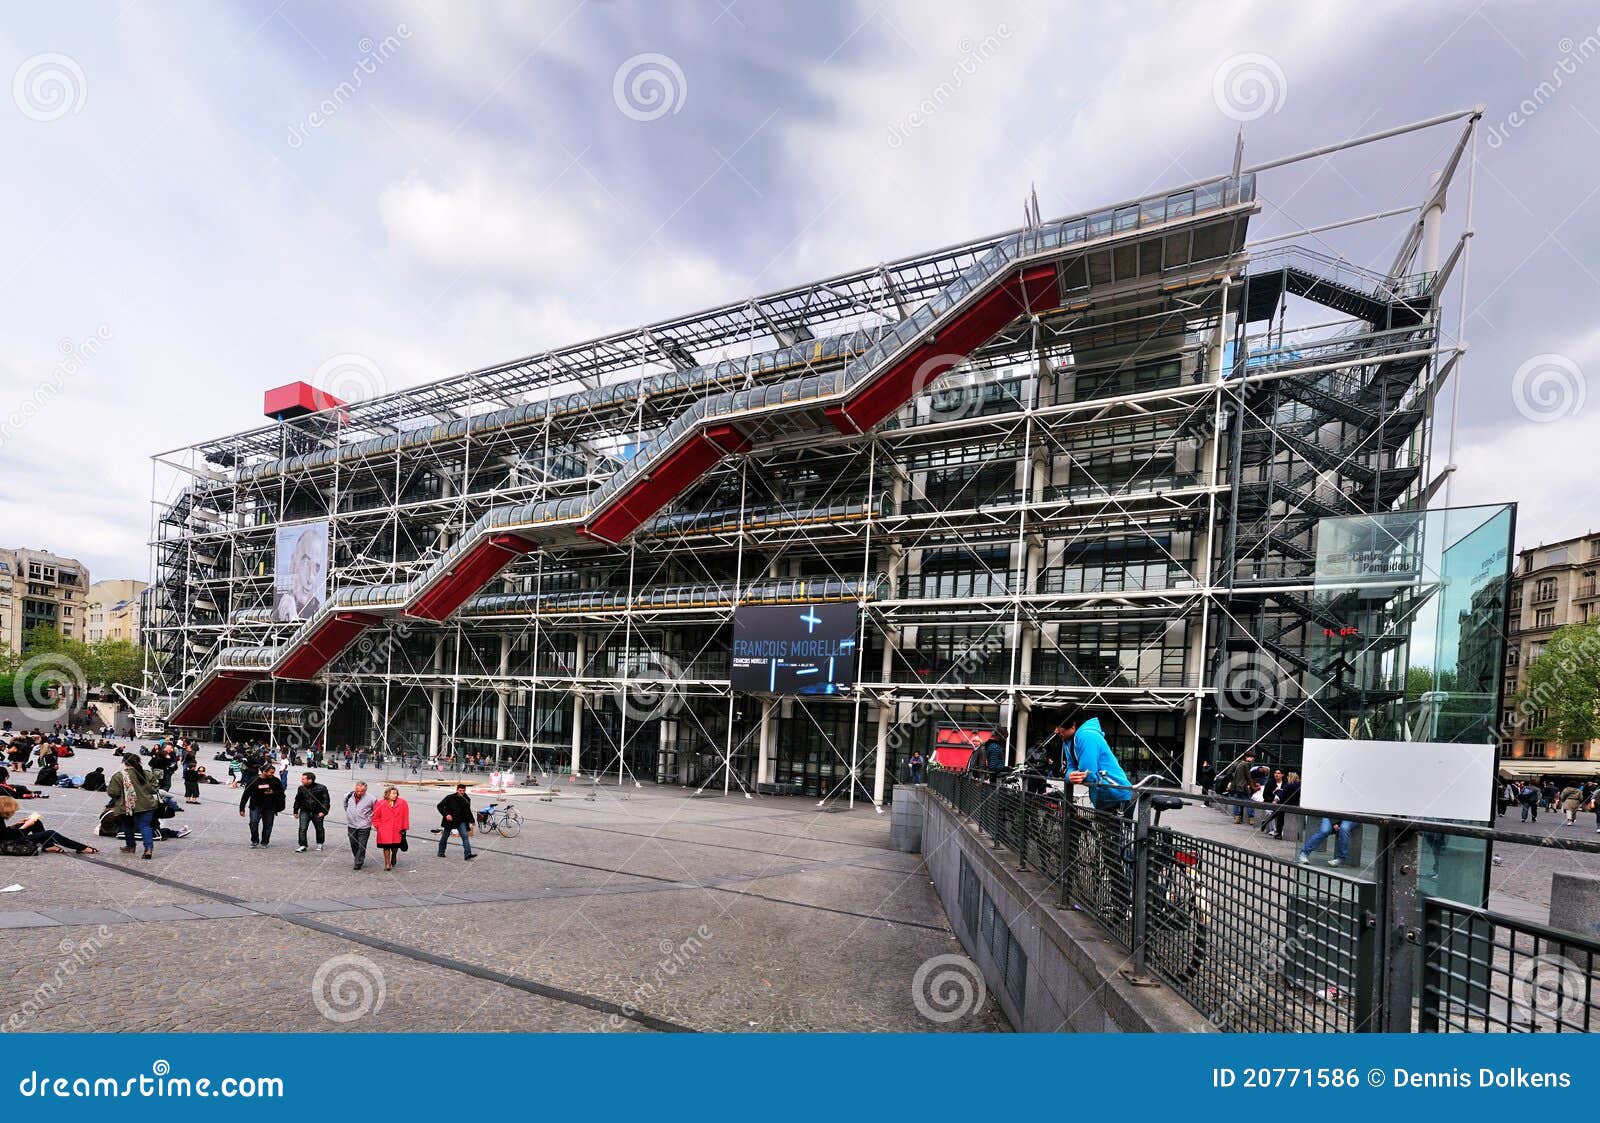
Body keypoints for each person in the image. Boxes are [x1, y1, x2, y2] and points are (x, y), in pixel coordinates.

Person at [1057, 711, 1132, 816]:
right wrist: (1070, 776)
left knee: (1112, 826)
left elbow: (1088, 774)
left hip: (1116, 795)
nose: (1056, 730)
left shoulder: (1086, 735)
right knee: (1103, 825)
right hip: (1105, 795)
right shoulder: (1068, 740)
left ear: (1073, 726)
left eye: (1059, 726)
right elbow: (1071, 768)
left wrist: (1073, 775)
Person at [0, 796, 99, 854]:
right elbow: (7, 837)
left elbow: (4, 832)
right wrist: (24, 826)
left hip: (5, 838)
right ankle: (81, 848)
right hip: (4, 844)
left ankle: (48, 846)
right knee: (50, 833)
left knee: (36, 822)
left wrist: (15, 825)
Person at [107, 753, 160, 859]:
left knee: (127, 826)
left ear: (124, 762)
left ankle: (130, 846)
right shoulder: (147, 774)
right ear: (139, 762)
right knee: (145, 826)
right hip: (147, 805)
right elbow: (155, 789)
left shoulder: (119, 776)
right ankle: (148, 849)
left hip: (126, 806)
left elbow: (113, 792)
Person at [238, 764, 286, 848]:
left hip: (270, 807)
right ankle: (254, 840)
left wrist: (273, 792)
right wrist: (242, 808)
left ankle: (265, 842)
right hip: (255, 805)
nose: (272, 774)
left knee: (268, 825)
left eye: (273, 772)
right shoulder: (253, 780)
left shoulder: (275, 780)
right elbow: (246, 794)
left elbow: (282, 793)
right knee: (253, 823)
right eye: (271, 772)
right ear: (264, 771)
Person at [435, 783, 476, 861]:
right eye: (460, 790)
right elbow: (439, 806)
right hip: (450, 821)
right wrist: (446, 815)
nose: (462, 792)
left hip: (461, 821)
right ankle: (441, 852)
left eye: (463, 791)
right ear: (457, 790)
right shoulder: (450, 797)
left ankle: (468, 854)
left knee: (465, 836)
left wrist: (472, 820)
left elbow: (468, 811)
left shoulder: (467, 799)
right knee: (445, 836)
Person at [372, 786, 410, 871]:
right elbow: (375, 817)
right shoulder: (380, 803)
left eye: (396, 793)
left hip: (398, 829)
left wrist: (404, 828)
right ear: (387, 794)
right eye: (393, 793)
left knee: (395, 846)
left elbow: (406, 816)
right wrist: (379, 827)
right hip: (384, 829)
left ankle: (394, 855)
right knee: (386, 846)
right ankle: (387, 863)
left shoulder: (403, 803)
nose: (395, 795)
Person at [293, 771, 331, 852]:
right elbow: (297, 800)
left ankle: (320, 843)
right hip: (304, 811)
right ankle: (303, 845)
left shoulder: (322, 788)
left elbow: (326, 801)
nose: (301, 780)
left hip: (317, 812)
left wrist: (324, 812)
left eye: (303, 779)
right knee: (302, 828)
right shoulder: (301, 788)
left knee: (319, 828)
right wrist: (295, 811)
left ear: (310, 780)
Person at [344, 781, 378, 870]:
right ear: (355, 788)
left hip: (364, 826)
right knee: (353, 843)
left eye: (362, 791)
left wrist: (369, 819)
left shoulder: (372, 798)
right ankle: (357, 857)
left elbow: (376, 810)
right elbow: (345, 806)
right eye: (357, 791)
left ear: (365, 790)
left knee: (362, 844)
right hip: (351, 825)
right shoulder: (347, 796)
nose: (359, 793)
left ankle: (358, 862)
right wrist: (350, 814)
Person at [1260, 770, 1301, 839]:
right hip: (1295, 805)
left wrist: (1276, 799)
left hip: (1285, 804)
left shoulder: (1288, 785)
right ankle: (1297, 834)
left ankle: (1278, 833)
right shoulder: (1299, 785)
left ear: (1290, 777)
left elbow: (1282, 795)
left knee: (1280, 815)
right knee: (1279, 812)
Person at [1229, 751, 1257, 823]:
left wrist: (1233, 780)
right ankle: (1251, 818)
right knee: (1248, 801)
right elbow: (1248, 776)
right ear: (1246, 757)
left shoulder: (1238, 763)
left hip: (1235, 786)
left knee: (1237, 801)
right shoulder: (1247, 764)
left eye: (1253, 757)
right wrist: (1250, 784)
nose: (1252, 759)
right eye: (1251, 757)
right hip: (1243, 786)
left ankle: (1237, 818)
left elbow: (1229, 772)